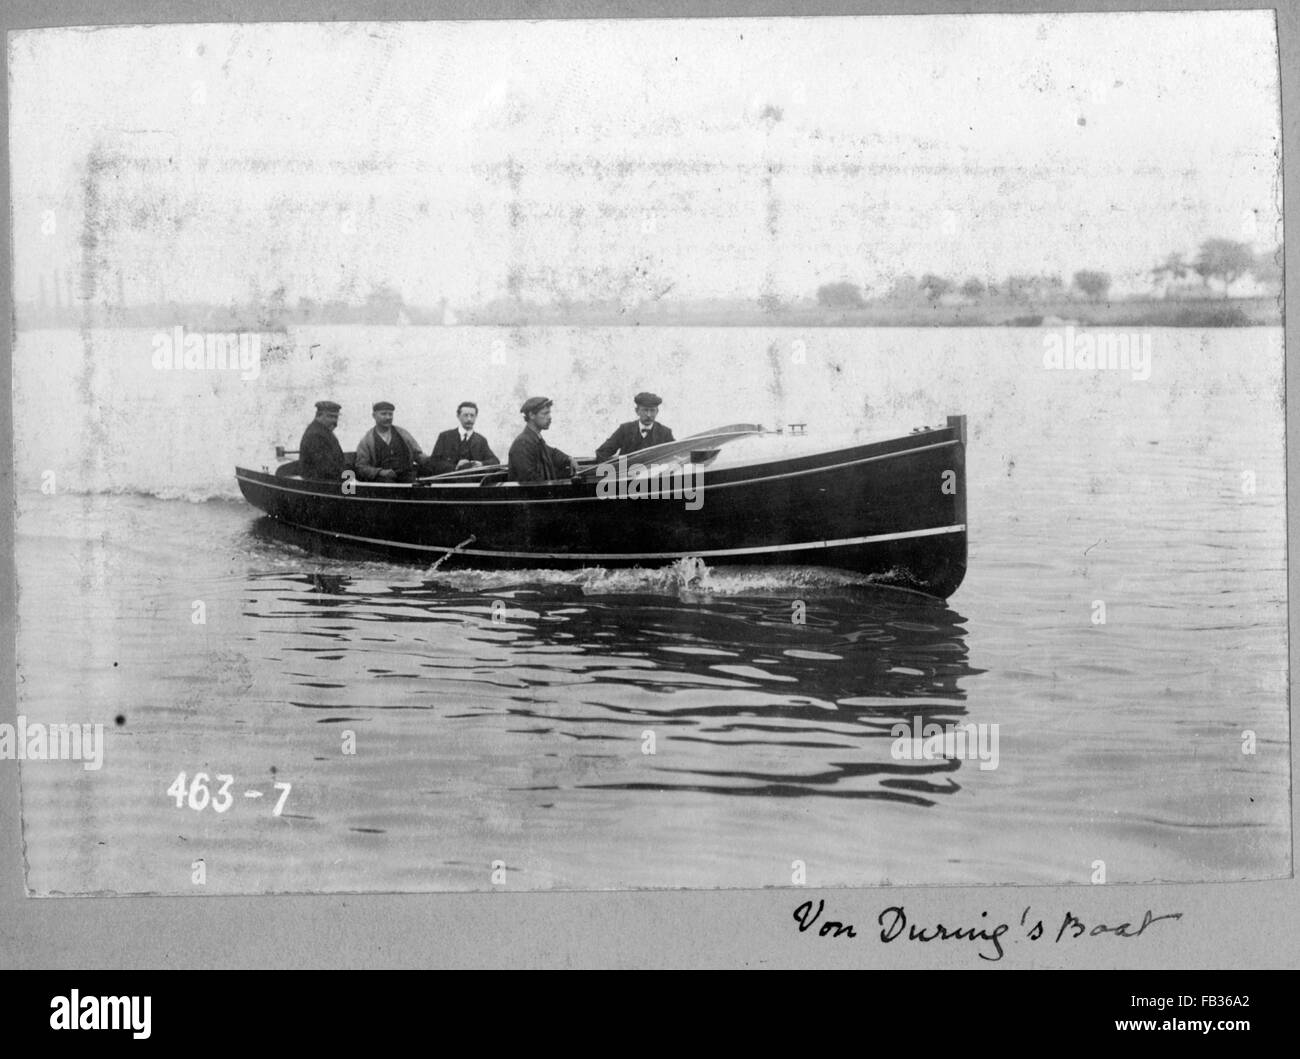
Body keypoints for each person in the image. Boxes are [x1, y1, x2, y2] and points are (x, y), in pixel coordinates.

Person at [354, 401, 428, 483]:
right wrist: (380, 472)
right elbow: (361, 467)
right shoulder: (367, 440)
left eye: (390, 414)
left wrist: (430, 460)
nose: (388, 417)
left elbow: (417, 454)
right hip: (384, 482)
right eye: (384, 414)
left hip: (407, 477)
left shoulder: (403, 434)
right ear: (374, 416)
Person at [507, 397, 576, 483]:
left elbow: (552, 453)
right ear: (531, 415)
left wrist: (568, 459)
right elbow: (530, 480)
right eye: (544, 414)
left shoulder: (534, 439)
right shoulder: (522, 444)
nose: (549, 417)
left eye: (549, 413)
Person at [595, 392, 675, 461]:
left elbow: (676, 454)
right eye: (645, 410)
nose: (648, 415)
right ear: (637, 411)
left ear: (657, 412)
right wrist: (614, 472)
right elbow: (602, 452)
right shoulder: (625, 429)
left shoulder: (665, 432)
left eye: (652, 410)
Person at [428, 401, 499, 474]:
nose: (469, 419)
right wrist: (455, 467)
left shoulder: (481, 440)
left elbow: (495, 461)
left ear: (476, 417)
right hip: (448, 482)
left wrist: (481, 464)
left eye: (472, 415)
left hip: (473, 483)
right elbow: (433, 463)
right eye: (465, 415)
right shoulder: (445, 437)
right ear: (458, 416)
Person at [297, 400, 346, 481]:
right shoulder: (315, 435)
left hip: (328, 483)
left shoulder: (323, 431)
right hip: (320, 485)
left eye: (336, 417)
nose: (334, 421)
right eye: (330, 416)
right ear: (319, 416)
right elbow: (325, 468)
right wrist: (349, 476)